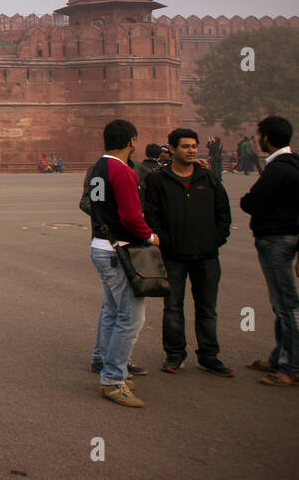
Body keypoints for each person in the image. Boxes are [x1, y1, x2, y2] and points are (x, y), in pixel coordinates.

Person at [142, 128, 233, 377]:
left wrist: (215, 240)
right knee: (172, 307)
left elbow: (223, 214)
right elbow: (152, 215)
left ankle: (209, 355)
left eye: (194, 146)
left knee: (207, 308)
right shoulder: (158, 180)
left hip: (206, 254)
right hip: (174, 255)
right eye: (186, 146)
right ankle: (174, 354)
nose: (192, 150)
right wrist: (167, 242)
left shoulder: (208, 178)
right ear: (171, 149)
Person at [86, 119, 159, 407]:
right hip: (120, 250)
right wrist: (150, 237)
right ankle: (113, 380)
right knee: (131, 318)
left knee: (113, 309)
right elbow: (131, 216)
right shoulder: (122, 171)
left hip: (100, 245)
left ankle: (103, 359)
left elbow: (93, 207)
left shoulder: (97, 169)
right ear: (132, 141)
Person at [239, 115, 299, 386]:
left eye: (260, 134)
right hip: (287, 238)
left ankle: (292, 366)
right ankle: (279, 356)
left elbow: (253, 202)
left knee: (287, 305)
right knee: (282, 303)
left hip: (275, 239)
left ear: (267, 138)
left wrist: (247, 200)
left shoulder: (278, 169)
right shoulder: (294, 164)